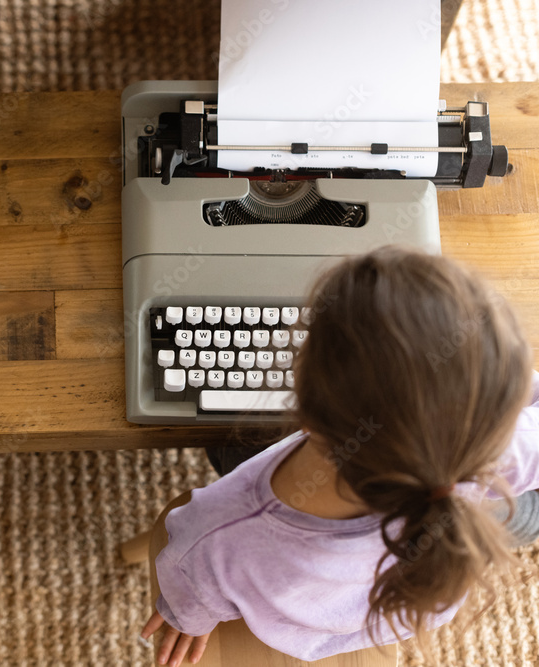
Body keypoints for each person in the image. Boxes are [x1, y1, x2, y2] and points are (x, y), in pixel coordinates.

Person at [141, 247, 539, 666]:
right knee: (525, 516)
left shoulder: (219, 532)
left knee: (229, 444)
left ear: (301, 402)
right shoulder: (497, 448)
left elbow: (189, 581)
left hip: (305, 631)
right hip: (437, 560)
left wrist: (187, 618)